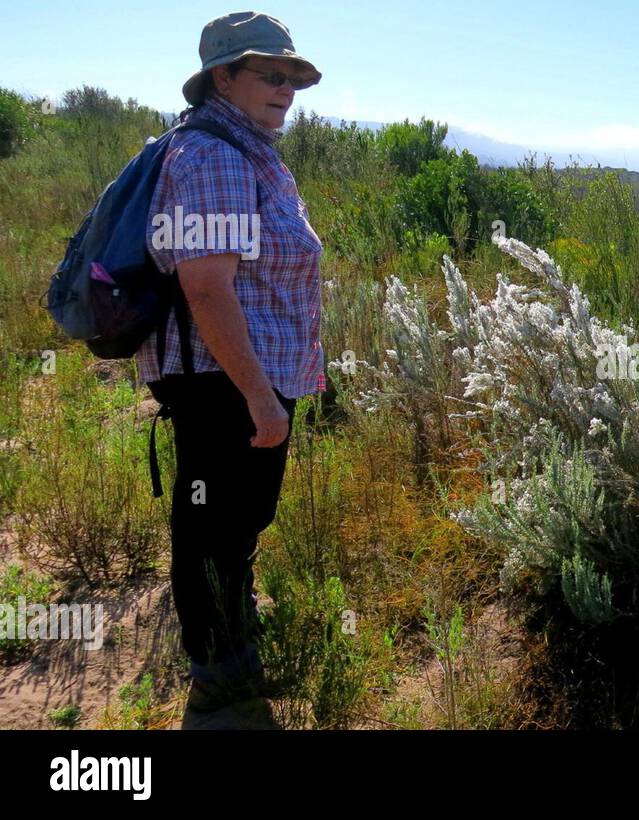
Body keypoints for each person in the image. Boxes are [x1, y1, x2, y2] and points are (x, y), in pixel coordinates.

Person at [139, 11, 324, 711]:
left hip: (245, 376)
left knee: (235, 519)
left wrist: (283, 379)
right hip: (225, 381)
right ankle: (221, 674)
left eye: (293, 79)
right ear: (223, 77)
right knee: (213, 523)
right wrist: (259, 394)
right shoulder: (214, 155)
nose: (285, 89)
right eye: (270, 75)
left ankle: (231, 632)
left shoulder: (246, 151)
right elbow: (207, 286)